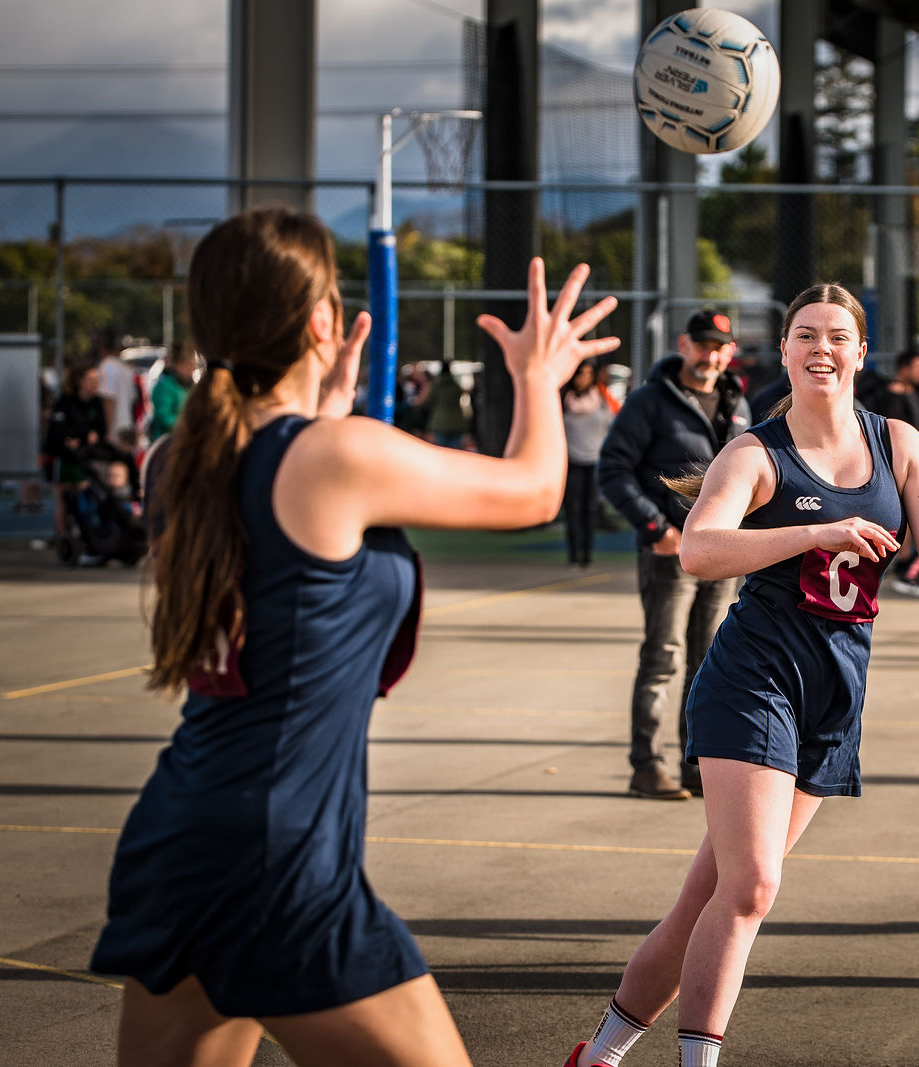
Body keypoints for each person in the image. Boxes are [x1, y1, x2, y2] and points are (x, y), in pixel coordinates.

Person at [87, 208, 619, 1066]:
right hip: (280, 859)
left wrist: (316, 414)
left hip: (176, 839)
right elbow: (533, 491)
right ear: (323, 322)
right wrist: (538, 374)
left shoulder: (178, 461)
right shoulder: (331, 459)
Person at [563, 283, 919, 1067]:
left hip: (836, 688)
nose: (822, 346)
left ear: (861, 352)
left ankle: (601, 1055)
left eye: (837, 335)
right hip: (755, 675)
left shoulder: (900, 443)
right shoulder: (755, 452)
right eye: (804, 333)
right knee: (753, 887)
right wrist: (816, 529)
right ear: (784, 352)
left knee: (706, 902)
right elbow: (698, 548)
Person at [598, 308, 750, 800]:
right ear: (684, 345)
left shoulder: (735, 402)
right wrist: (655, 527)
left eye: (721, 347)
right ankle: (646, 765)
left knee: (710, 662)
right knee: (663, 658)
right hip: (671, 553)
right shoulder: (649, 402)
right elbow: (613, 471)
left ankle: (694, 764)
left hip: (723, 552)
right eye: (704, 344)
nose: (712, 355)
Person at [44, 360, 110, 543]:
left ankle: (84, 534)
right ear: (80, 380)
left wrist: (85, 438)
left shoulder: (96, 402)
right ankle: (63, 537)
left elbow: (100, 431)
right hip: (65, 458)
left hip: (86, 457)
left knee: (85, 495)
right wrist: (82, 436)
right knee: (64, 497)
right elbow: (60, 433)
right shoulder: (65, 402)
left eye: (97, 379)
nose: (95, 383)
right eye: (91, 379)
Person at [563, 358, 616, 566]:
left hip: (595, 461)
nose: (584, 378)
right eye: (580, 374)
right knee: (573, 510)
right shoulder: (563, 400)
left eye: (588, 374)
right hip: (571, 462)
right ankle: (574, 554)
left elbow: (615, 424)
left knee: (590, 509)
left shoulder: (602, 397)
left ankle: (587, 555)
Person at [94, 329, 140, 453]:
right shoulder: (125, 367)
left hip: (116, 429)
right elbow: (134, 398)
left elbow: (109, 399)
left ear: (100, 346)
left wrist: (109, 432)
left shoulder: (107, 366)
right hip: (128, 424)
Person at [148, 342, 197, 443]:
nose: (193, 369)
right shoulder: (164, 386)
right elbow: (164, 418)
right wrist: (189, 425)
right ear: (178, 365)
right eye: (190, 365)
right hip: (167, 443)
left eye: (194, 365)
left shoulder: (190, 385)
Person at [425, 361, 473, 449]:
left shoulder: (436, 387)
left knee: (441, 451)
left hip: (439, 423)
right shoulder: (455, 386)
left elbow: (430, 402)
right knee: (454, 451)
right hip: (457, 423)